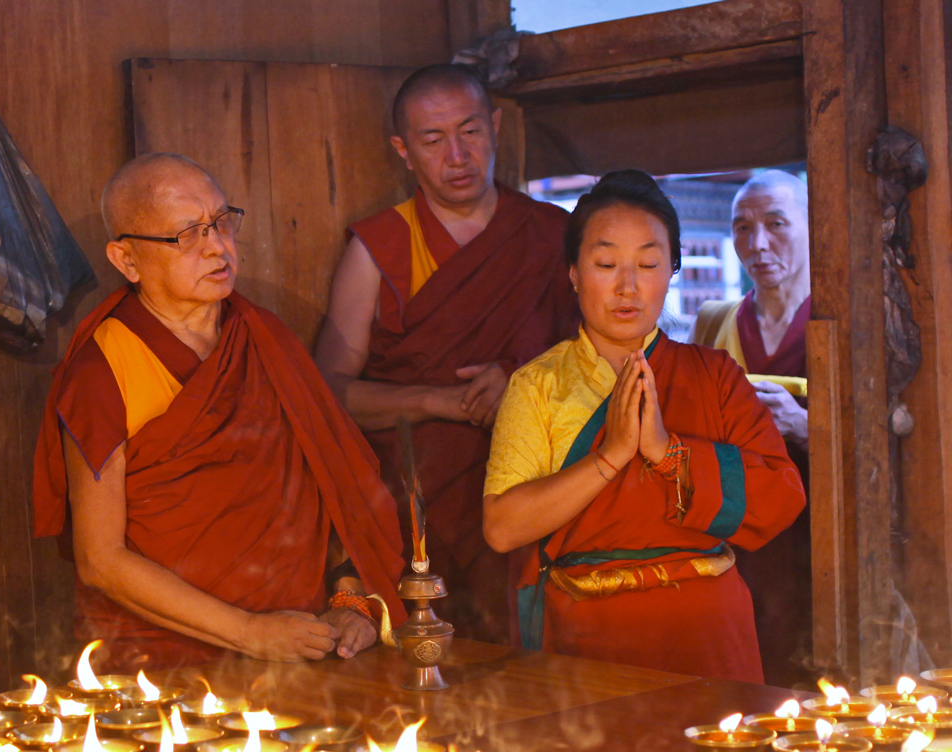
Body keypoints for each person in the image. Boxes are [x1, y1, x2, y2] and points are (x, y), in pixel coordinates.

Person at [33, 153, 407, 671]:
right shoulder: (104, 369)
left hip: (299, 645)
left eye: (221, 222)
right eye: (186, 234)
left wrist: (350, 601)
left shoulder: (264, 338)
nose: (217, 246)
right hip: (165, 666)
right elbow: (100, 560)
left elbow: (333, 486)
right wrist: (249, 632)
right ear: (127, 260)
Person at [482, 170, 805, 682]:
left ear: (673, 269)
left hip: (707, 633)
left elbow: (783, 495)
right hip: (585, 637)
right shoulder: (537, 385)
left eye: (649, 264)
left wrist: (666, 451)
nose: (627, 286)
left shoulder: (715, 375)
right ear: (572, 271)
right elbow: (502, 527)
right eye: (606, 263)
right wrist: (609, 456)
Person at [315, 64, 578, 644]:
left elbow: (602, 368)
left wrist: (521, 381)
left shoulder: (554, 236)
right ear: (403, 150)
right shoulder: (378, 249)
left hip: (535, 499)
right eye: (433, 140)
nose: (456, 156)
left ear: (496, 127)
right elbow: (326, 392)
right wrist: (440, 400)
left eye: (471, 132)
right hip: (417, 505)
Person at [691, 169, 812, 686]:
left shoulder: (844, 319)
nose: (757, 244)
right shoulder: (714, 321)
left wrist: (807, 426)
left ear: (813, 225)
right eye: (742, 227)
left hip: (819, 529)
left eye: (776, 224)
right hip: (739, 530)